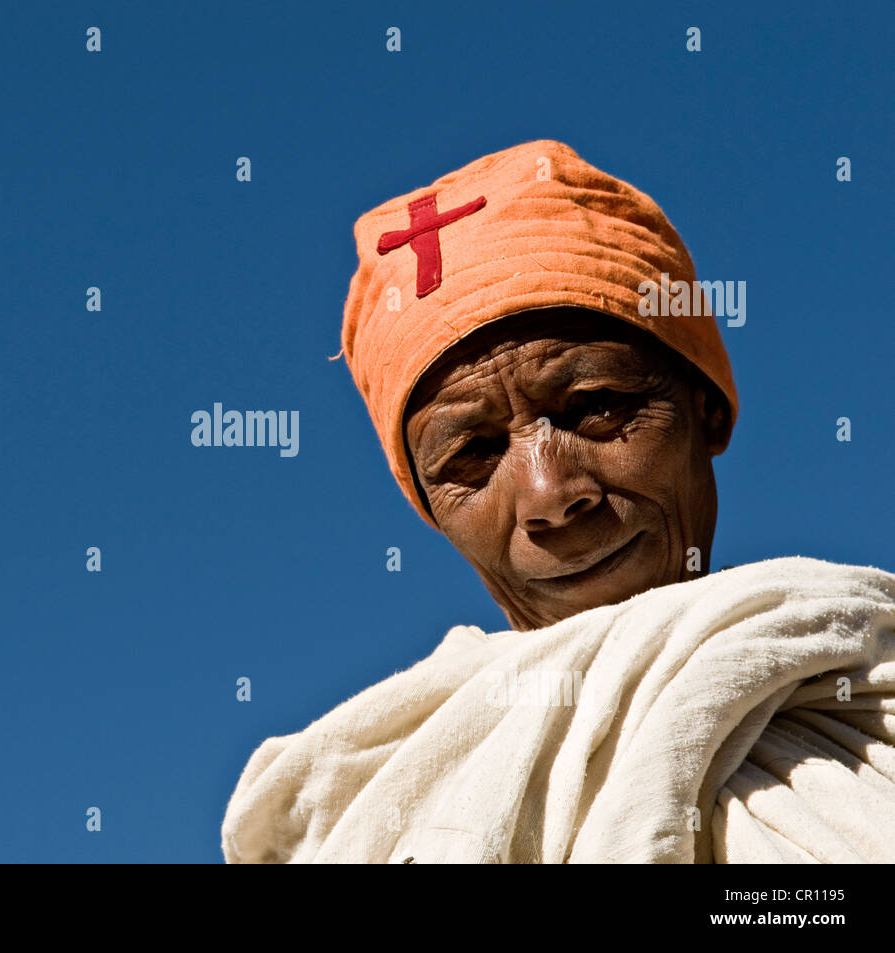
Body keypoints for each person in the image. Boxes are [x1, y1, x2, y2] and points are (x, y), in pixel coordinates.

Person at [221, 140, 895, 864]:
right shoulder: (364, 808)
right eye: (473, 454)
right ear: (430, 508)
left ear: (708, 409)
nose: (549, 495)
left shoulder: (865, 696)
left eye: (596, 406)